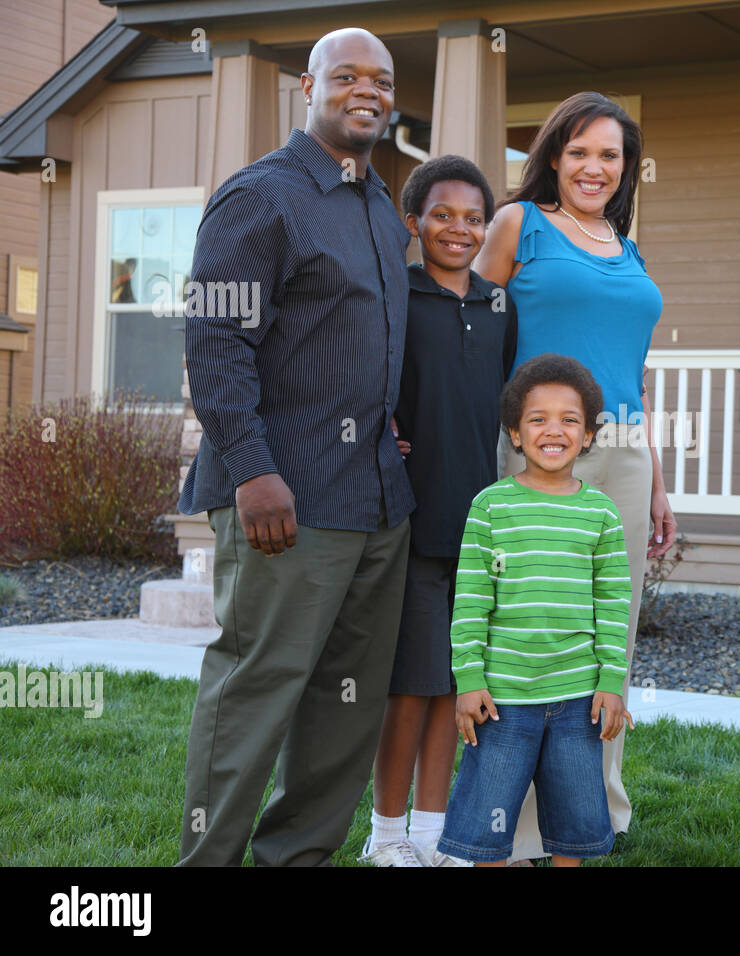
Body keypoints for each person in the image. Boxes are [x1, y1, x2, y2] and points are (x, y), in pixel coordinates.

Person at [177, 27, 415, 866]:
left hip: (378, 503)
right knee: (256, 691)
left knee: (346, 708)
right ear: (306, 86)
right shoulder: (262, 196)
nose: (367, 90)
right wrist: (253, 469)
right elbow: (214, 346)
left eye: (381, 79)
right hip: (287, 497)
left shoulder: (380, 208)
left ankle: (297, 859)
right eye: (346, 74)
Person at [473, 91, 674, 861]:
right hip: (537, 454)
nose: (595, 167)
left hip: (621, 454)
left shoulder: (627, 247)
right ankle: (515, 822)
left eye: (611, 155)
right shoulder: (518, 226)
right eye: (581, 151)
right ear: (553, 155)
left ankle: (596, 808)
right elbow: (473, 335)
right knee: (530, 633)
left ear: (626, 169)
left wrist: (655, 478)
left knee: (604, 638)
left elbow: (635, 373)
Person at [358, 155, 517, 867]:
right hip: (413, 519)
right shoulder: (398, 297)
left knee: (455, 686)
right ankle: (384, 835)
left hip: (477, 524)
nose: (459, 229)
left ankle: (430, 835)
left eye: (474, 217)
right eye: (442, 215)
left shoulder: (497, 306)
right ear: (413, 222)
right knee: (409, 687)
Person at [436, 354, 633, 866]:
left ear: (588, 435)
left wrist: (611, 681)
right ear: (515, 435)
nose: (555, 430)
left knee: (574, 825)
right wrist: (469, 679)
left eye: (570, 420)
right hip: (501, 699)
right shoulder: (491, 507)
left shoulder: (601, 513)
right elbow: (472, 601)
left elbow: (614, 603)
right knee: (488, 822)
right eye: (538, 419)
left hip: (577, 698)